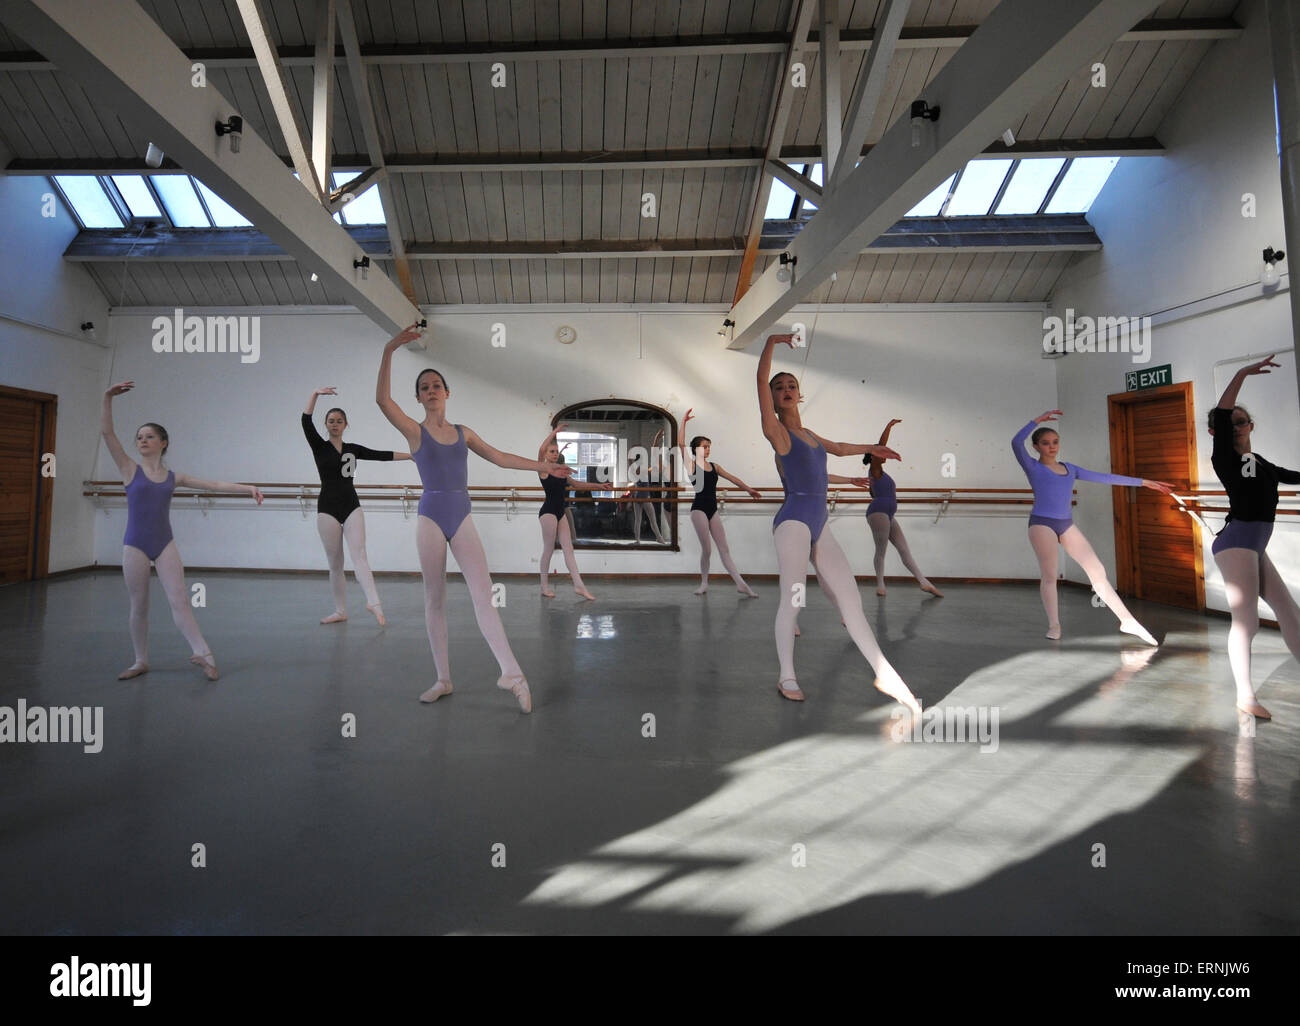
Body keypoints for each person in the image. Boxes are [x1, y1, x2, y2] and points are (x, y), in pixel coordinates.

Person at [376, 325, 571, 712]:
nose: (431, 390)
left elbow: (499, 457)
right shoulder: (414, 432)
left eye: (437, 385)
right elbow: (382, 402)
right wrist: (389, 350)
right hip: (431, 515)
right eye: (424, 387)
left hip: (461, 514)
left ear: (447, 393)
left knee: (484, 595)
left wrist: (543, 467)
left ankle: (511, 673)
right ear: (418, 398)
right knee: (435, 599)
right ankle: (443, 678)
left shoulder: (464, 433)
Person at [756, 332, 921, 713]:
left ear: (800, 395)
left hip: (819, 524)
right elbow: (760, 386)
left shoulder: (810, 435)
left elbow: (840, 449)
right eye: (777, 387)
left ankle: (885, 672)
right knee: (793, 597)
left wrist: (870, 447)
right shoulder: (776, 432)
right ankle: (786, 673)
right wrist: (770, 344)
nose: (785, 390)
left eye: (791, 386)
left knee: (851, 602)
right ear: (772, 399)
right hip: (793, 521)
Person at [102, 380, 264, 681]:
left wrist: (248, 488)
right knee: (139, 605)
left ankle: (204, 654)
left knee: (180, 599)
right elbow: (107, 434)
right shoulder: (128, 469)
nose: (142, 440)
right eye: (139, 437)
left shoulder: (174, 477)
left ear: (163, 442)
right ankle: (140, 660)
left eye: (149, 436)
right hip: (134, 545)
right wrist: (107, 397)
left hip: (165, 544)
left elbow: (214, 485)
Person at [1013, 410, 1171, 643]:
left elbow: (1104, 477)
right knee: (1050, 575)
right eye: (1045, 444)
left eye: (1055, 442)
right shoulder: (1032, 467)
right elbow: (1016, 442)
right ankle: (1054, 624)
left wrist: (1144, 482)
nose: (1051, 447)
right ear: (1036, 447)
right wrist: (1037, 419)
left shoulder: (1070, 468)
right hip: (1041, 523)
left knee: (1097, 571)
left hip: (1066, 523)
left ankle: (1127, 621)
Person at [1208, 356, 1300, 720]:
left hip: (1252, 544)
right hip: (1236, 542)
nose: (1237, 427)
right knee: (1247, 620)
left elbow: (1292, 475)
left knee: (1290, 612)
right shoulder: (1225, 458)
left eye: (1242, 422)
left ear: (1251, 426)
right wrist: (1242, 374)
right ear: (1219, 432)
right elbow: (1221, 413)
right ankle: (1245, 696)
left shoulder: (1258, 462)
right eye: (1231, 424)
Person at [302, 387, 410, 626]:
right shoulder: (319, 447)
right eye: (331, 421)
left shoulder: (353, 448)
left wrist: (412, 455)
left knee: (360, 555)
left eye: (339, 421)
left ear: (345, 425)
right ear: (326, 424)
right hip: (327, 508)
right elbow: (305, 421)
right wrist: (315, 395)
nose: (335, 424)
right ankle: (340, 610)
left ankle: (374, 602)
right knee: (335, 563)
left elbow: (381, 455)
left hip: (351, 505)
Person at [678, 408, 760, 596]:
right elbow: (681, 443)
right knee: (707, 549)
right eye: (705, 446)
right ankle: (704, 583)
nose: (708, 449)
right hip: (698, 509)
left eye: (709, 446)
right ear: (697, 448)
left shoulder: (715, 466)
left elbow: (733, 478)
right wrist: (683, 422)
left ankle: (741, 584)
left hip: (712, 509)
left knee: (724, 549)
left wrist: (748, 489)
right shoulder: (691, 465)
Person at [862, 418, 942, 598]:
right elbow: (879, 447)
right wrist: (888, 427)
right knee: (881, 550)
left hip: (888, 513)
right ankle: (880, 585)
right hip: (878, 513)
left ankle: (924, 582)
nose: (886, 455)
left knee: (904, 549)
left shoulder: (880, 473)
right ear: (875, 455)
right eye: (883, 453)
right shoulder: (875, 469)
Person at [536, 422, 601, 599]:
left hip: (560, 512)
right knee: (548, 549)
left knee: (569, 548)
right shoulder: (543, 469)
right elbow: (541, 450)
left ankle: (579, 586)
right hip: (548, 513)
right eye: (552, 452)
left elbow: (577, 484)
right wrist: (554, 432)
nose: (555, 454)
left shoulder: (562, 471)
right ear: (546, 455)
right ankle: (544, 586)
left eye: (557, 451)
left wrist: (598, 485)